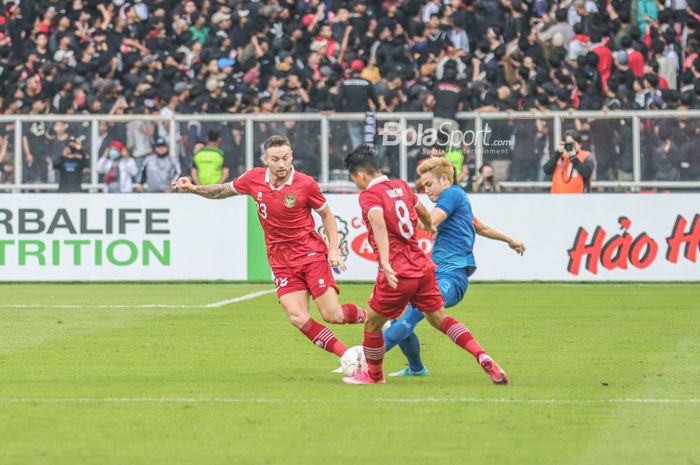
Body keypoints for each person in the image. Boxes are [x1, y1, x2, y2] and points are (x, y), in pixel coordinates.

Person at [172, 135, 367, 360]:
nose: (282, 164)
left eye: (285, 158)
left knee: (333, 314)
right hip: (280, 260)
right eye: (275, 159)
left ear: (291, 156)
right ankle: (348, 356)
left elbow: (327, 215)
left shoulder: (305, 183)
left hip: (310, 254)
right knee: (297, 316)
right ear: (266, 159)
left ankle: (376, 319)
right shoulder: (254, 179)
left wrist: (333, 250)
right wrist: (193, 189)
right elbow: (222, 190)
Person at [341, 145, 508, 385]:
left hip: (399, 270)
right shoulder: (401, 186)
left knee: (373, 323)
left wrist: (385, 262)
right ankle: (481, 354)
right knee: (439, 318)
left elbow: (377, 220)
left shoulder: (369, 195)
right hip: (423, 267)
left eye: (354, 179)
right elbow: (419, 207)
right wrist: (429, 224)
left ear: (361, 175)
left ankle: (374, 376)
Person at [383, 157, 524, 377]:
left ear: (445, 180)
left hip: (452, 276)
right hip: (434, 274)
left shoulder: (452, 194)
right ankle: (419, 367)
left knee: (412, 314)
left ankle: (365, 358)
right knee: (403, 314)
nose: (426, 191)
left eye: (429, 185)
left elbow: (429, 221)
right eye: (422, 187)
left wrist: (398, 208)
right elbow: (482, 228)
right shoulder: (457, 201)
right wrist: (510, 240)